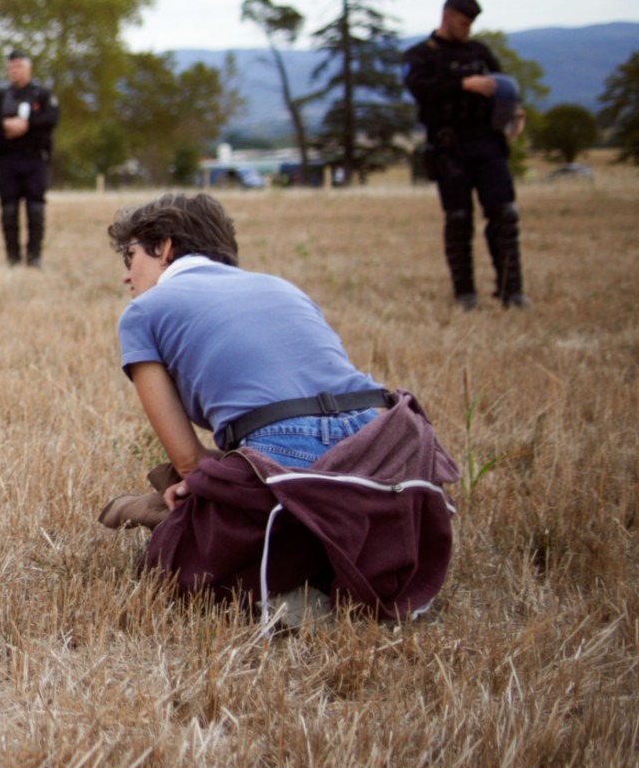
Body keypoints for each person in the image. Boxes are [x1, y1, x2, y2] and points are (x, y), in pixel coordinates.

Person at [97, 193, 456, 624]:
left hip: (285, 445)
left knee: (171, 559)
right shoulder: (283, 287)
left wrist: (204, 480)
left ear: (166, 247)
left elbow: (188, 462)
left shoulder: (142, 312)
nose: (126, 275)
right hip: (386, 441)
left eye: (130, 255)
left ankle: (282, 586)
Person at [405, 0, 529, 309]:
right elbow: (418, 89)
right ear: (447, 16)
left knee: (504, 215)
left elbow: (503, 88)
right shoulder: (423, 55)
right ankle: (465, 295)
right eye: (463, 23)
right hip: (449, 149)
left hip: (488, 144)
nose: (467, 29)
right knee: (459, 219)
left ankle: (512, 292)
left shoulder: (479, 53)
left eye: (470, 24)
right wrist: (462, 84)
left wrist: (514, 112)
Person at [0, 51, 59, 267]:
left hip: (35, 158)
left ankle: (34, 256)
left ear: (28, 69)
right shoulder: (0, 96)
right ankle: (12, 257)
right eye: (11, 67)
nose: (15, 71)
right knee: (9, 209)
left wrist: (26, 125)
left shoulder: (42, 95)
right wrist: (5, 124)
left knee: (35, 208)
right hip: (8, 160)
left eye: (19, 67)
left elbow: (52, 119)